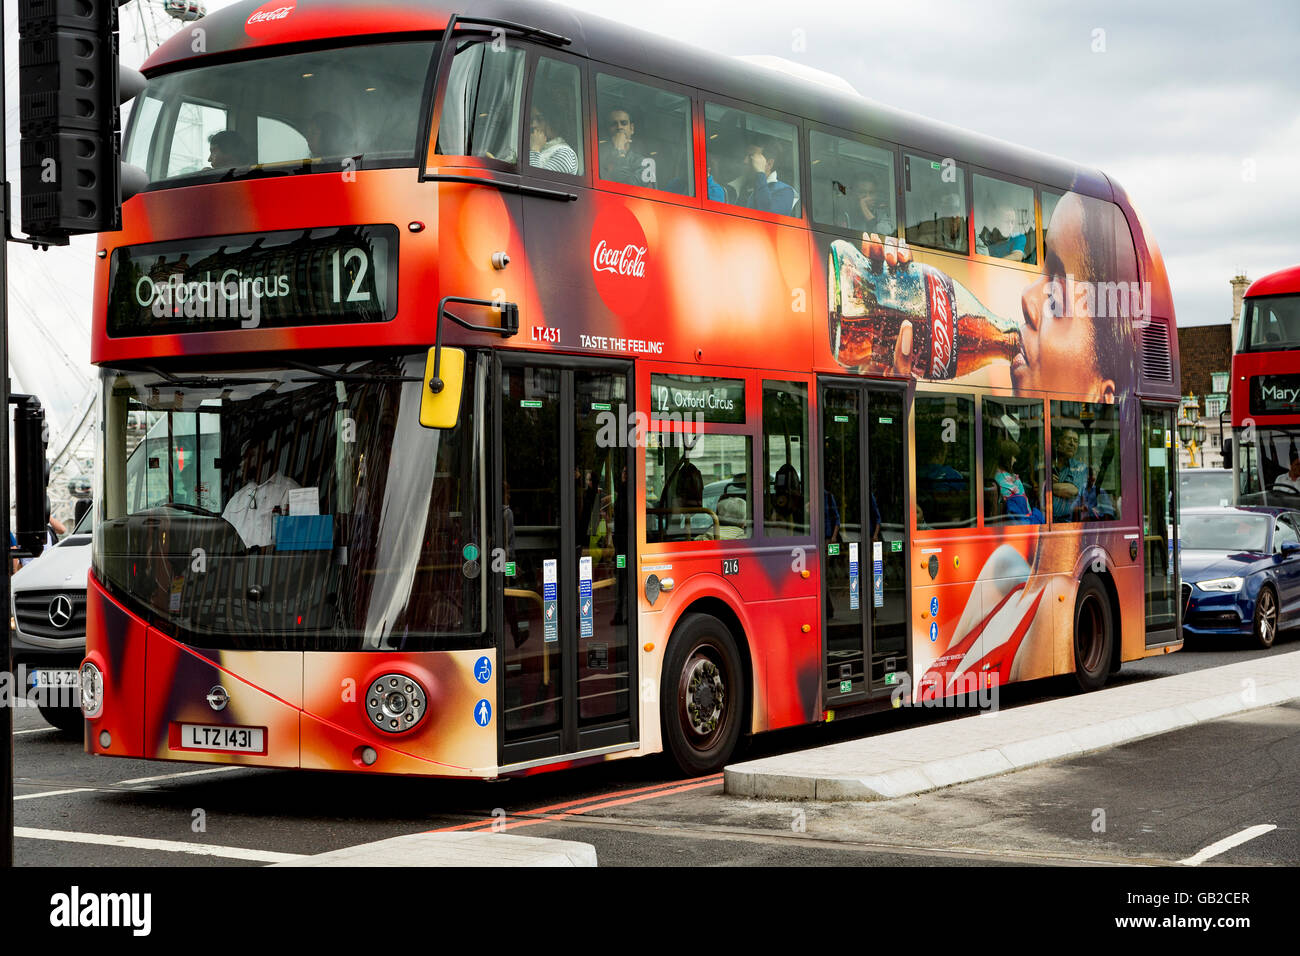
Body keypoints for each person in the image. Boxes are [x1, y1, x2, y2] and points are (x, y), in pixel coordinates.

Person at [221, 440, 301, 549]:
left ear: (264, 456)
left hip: (269, 564)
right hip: (237, 563)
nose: (241, 464)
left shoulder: (292, 490)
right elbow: (222, 538)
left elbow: (301, 542)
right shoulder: (237, 498)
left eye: (247, 457)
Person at [991, 439, 1043, 524]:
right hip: (1020, 523)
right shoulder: (1005, 479)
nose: (1015, 460)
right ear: (1007, 457)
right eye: (1013, 456)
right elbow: (1020, 507)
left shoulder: (996, 475)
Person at [742, 139, 798, 215]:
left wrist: (760, 174)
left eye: (751, 157)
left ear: (769, 164)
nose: (745, 161)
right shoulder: (739, 185)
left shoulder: (785, 191)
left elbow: (768, 217)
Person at [598, 106, 650, 186]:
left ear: (632, 128)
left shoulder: (643, 163)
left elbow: (628, 187)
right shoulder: (597, 158)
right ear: (608, 130)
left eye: (624, 123)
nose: (619, 127)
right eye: (614, 124)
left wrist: (619, 150)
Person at [529, 103, 579, 175]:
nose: (533, 125)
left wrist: (535, 149)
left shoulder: (565, 153)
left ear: (553, 122)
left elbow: (537, 182)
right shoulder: (539, 148)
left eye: (540, 119)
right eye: (531, 120)